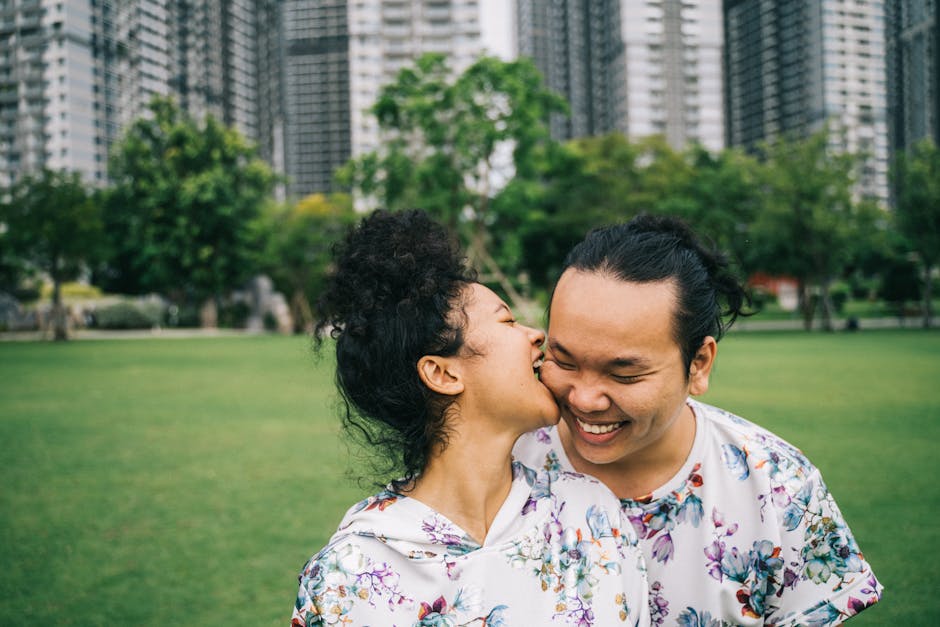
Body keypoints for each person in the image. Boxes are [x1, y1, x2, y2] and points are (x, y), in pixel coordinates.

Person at [514, 214, 883, 625]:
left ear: (699, 364)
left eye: (624, 374)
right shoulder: (505, 460)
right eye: (563, 360)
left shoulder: (779, 487)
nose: (584, 398)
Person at [292, 210, 650, 626]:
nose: (537, 335)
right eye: (507, 321)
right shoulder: (349, 576)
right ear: (443, 373)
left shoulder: (590, 516)